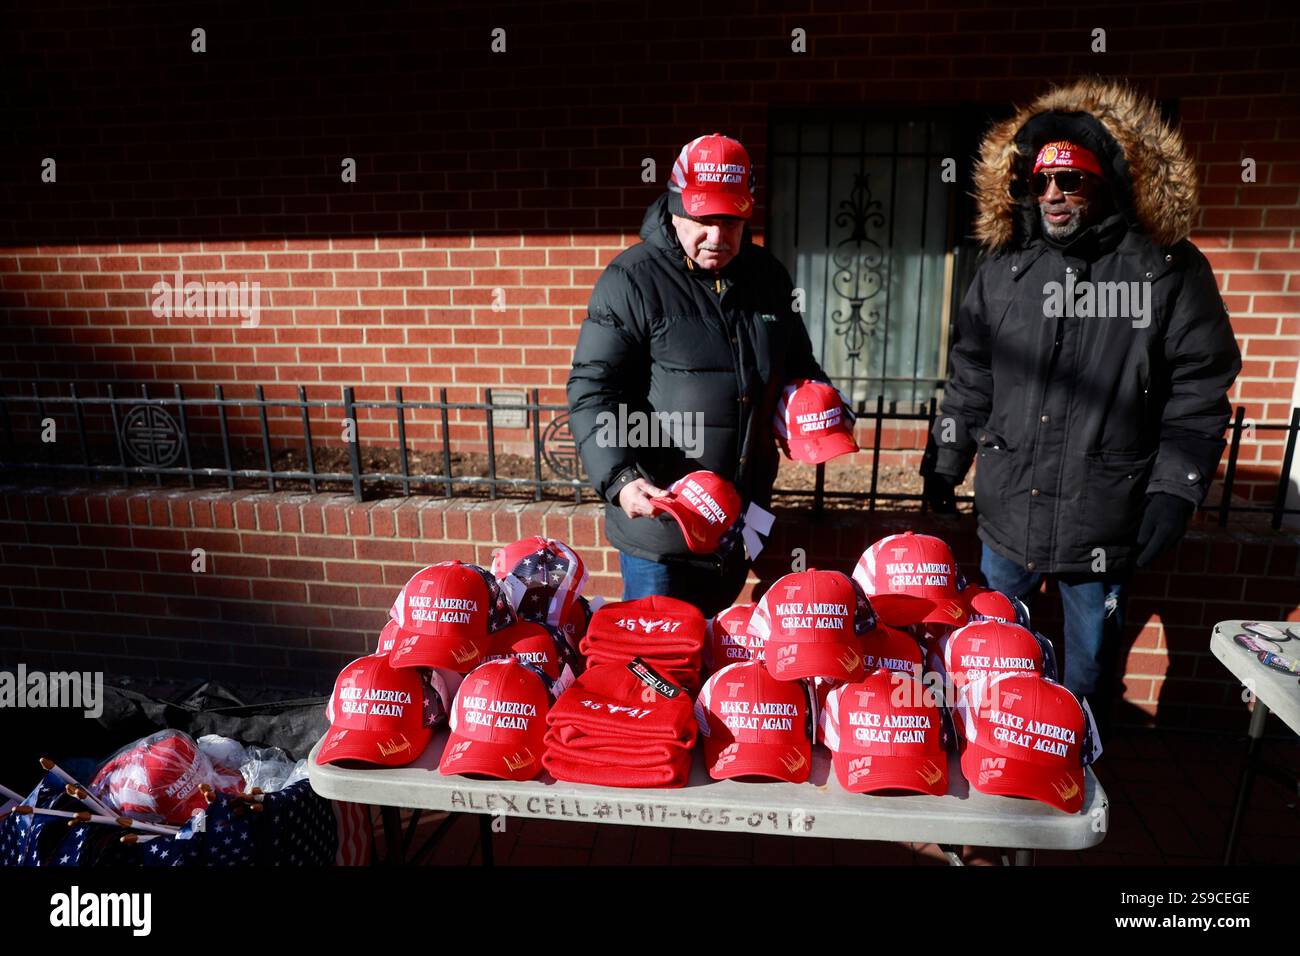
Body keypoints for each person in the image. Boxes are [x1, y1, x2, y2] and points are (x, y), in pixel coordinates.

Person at [920, 79, 1241, 734]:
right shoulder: (1005, 270)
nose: (1054, 195)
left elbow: (1199, 389)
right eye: (1041, 182)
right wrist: (945, 456)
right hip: (1008, 514)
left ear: (1106, 183)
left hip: (1105, 516)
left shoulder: (1166, 273)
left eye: (1071, 179)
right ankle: (992, 769)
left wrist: (1176, 490)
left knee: (1086, 673)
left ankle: (1068, 772)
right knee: (989, 659)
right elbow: (972, 372)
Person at [567, 133, 828, 616]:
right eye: (703, 220)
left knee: (717, 664)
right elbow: (593, 390)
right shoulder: (632, 279)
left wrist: (818, 405)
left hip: (735, 521)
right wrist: (620, 478)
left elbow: (798, 365)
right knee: (661, 674)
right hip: (660, 525)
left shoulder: (768, 277)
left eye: (730, 221)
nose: (717, 236)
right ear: (674, 208)